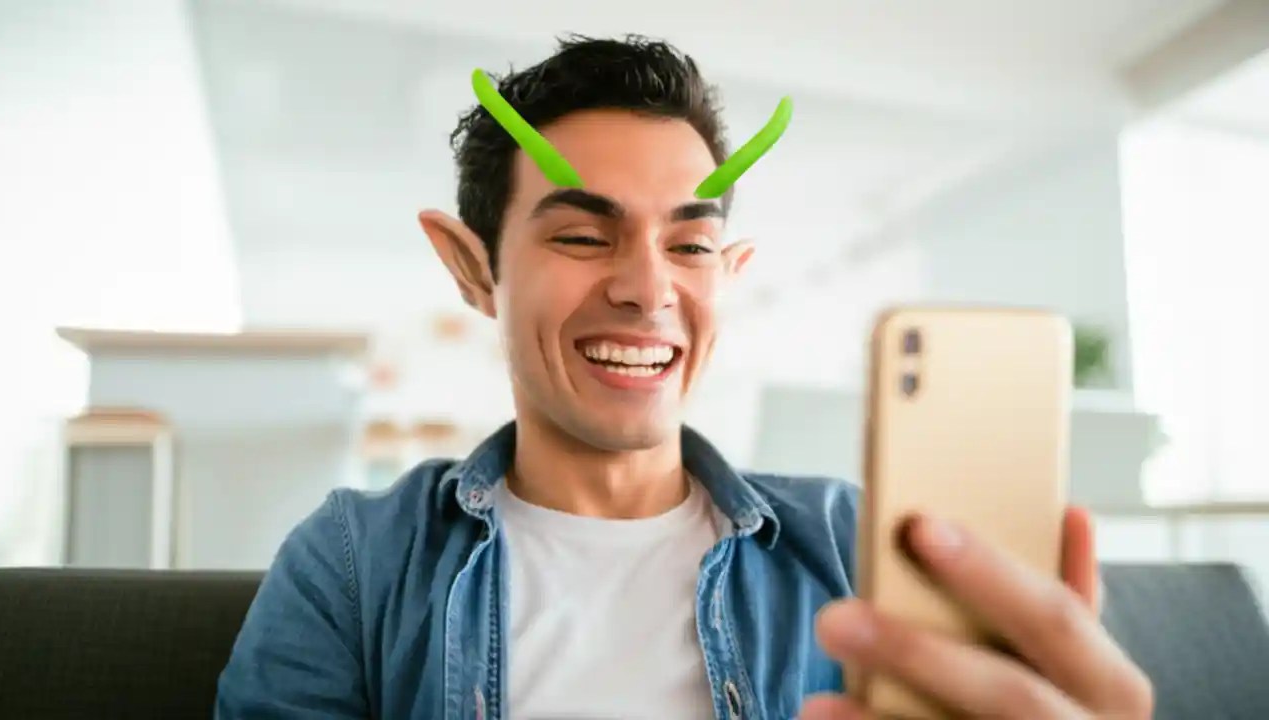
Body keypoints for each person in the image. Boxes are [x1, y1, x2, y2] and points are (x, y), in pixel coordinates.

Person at [215, 35, 1153, 720]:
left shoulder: (859, 548)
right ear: (473, 267)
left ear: (728, 276)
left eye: (691, 244)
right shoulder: (354, 564)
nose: (646, 289)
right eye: (583, 237)